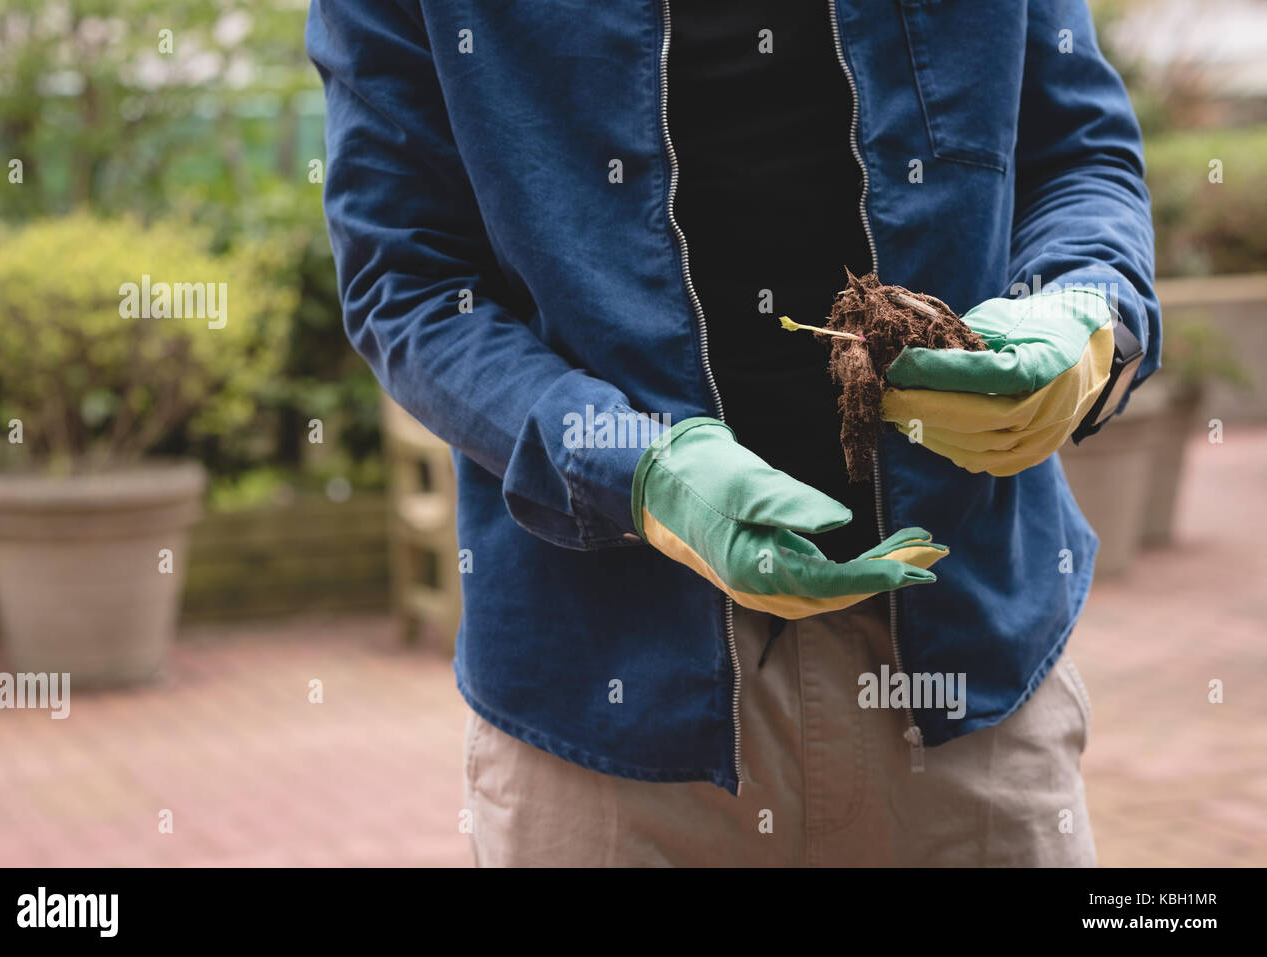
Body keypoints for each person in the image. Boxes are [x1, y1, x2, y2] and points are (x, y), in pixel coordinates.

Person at [306, 0, 1160, 866]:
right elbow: (408, 280)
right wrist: (627, 466)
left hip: (972, 684)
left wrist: (1086, 309)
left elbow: (1078, 157)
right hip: (613, 726)